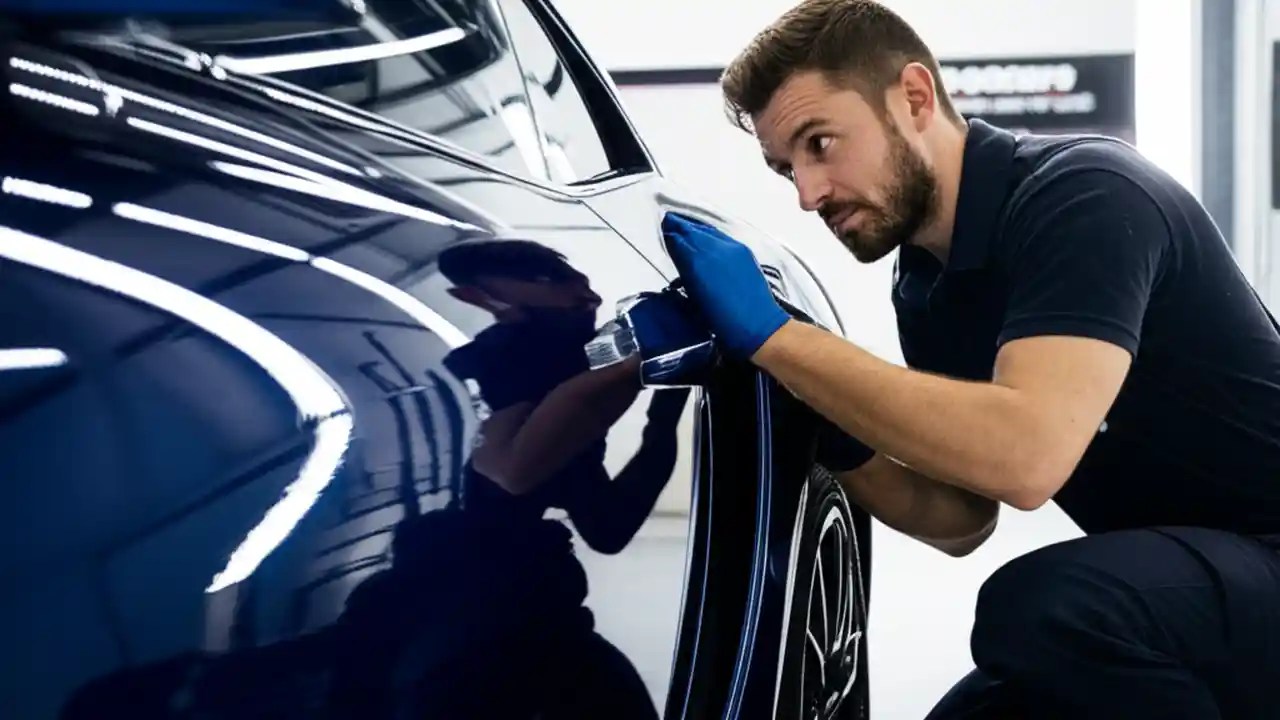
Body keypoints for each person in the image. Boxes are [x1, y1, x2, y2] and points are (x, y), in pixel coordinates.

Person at [660, 1, 1280, 718]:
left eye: (820, 143)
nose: (807, 194)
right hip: (1202, 588)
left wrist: (782, 340)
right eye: (784, 168)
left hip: (1263, 558)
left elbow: (1025, 458)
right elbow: (961, 518)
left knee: (1047, 607)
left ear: (914, 98)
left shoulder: (1085, 195)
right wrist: (835, 438)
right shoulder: (927, 287)